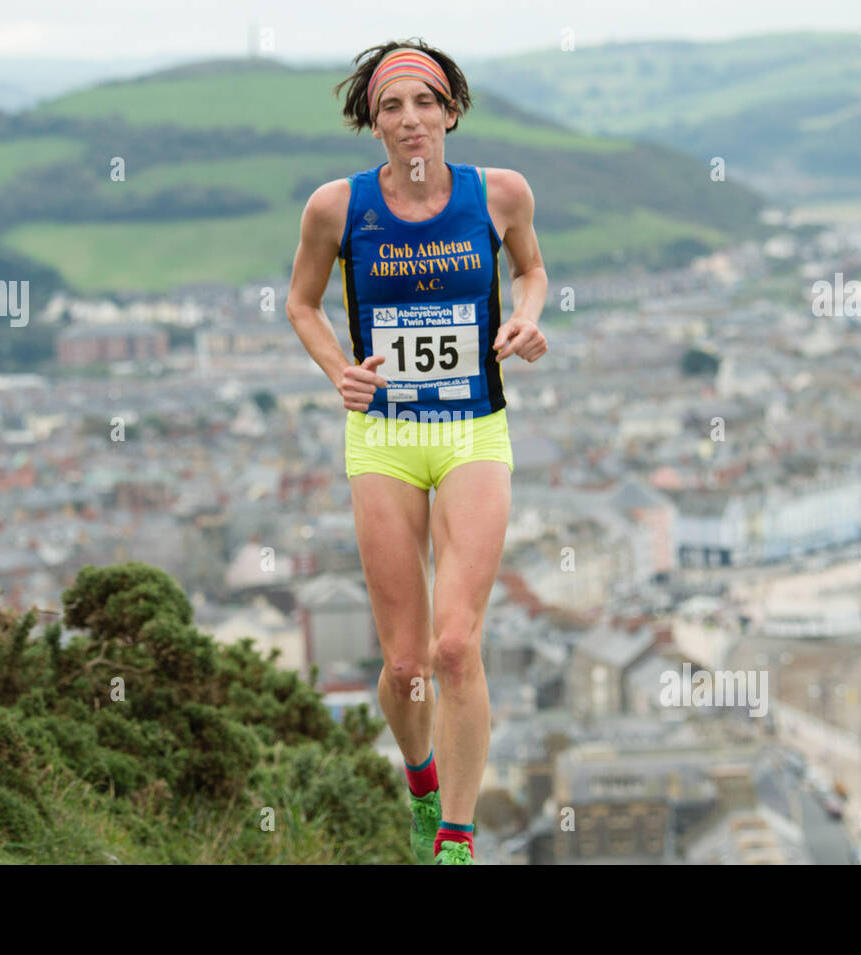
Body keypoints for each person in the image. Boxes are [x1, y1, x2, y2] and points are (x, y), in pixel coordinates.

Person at [285, 39, 548, 865]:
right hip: (386, 439)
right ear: (372, 121)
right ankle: (420, 777)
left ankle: (457, 839)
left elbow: (534, 272)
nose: (410, 120)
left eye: (424, 104)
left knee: (454, 646)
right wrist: (340, 374)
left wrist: (527, 317)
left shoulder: (499, 193)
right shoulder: (335, 208)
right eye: (391, 106)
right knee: (404, 667)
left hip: (474, 430)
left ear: (450, 113)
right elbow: (301, 304)